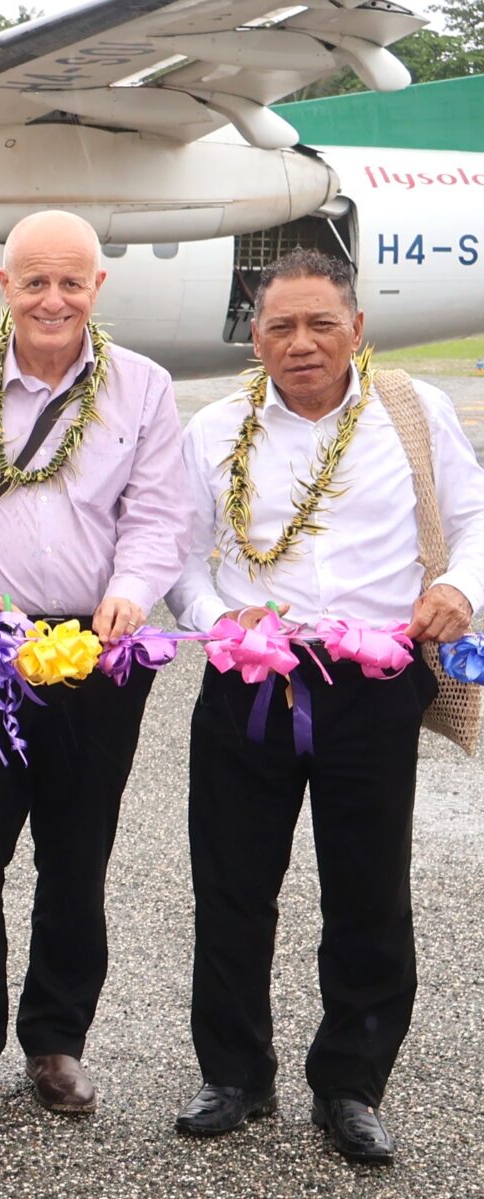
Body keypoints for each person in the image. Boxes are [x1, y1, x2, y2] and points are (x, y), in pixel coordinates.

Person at [165, 249, 483, 1166]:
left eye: (320, 324)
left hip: (373, 684)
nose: (301, 344)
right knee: (231, 884)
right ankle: (234, 1073)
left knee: (368, 890)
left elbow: (472, 519)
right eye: (280, 327)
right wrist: (223, 618)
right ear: (254, 336)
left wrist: (461, 586)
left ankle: (351, 1083)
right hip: (249, 682)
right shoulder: (219, 429)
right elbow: (182, 556)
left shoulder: (412, 415)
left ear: (357, 329)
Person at [0, 210, 193, 1115]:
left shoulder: (144, 388)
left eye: (72, 281)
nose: (53, 298)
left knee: (78, 854)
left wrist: (135, 587)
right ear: (3, 286)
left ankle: (58, 1040)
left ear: (98, 289)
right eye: (34, 280)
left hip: (100, 651)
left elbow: (159, 517)